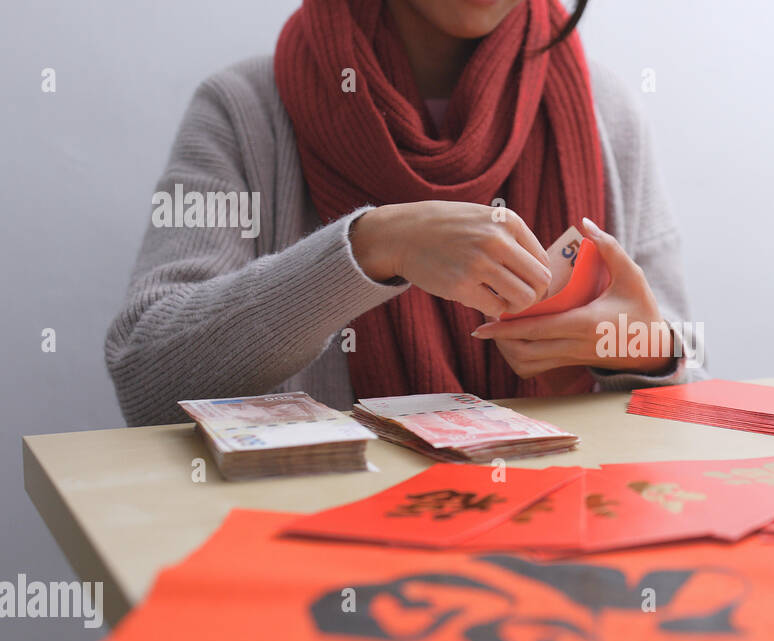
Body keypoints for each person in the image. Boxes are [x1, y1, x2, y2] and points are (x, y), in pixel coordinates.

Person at [105, 0, 697, 426]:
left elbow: (684, 383)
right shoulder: (244, 109)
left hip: (561, 553)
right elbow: (149, 378)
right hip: (324, 561)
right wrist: (369, 248)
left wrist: (642, 348)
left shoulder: (604, 110)